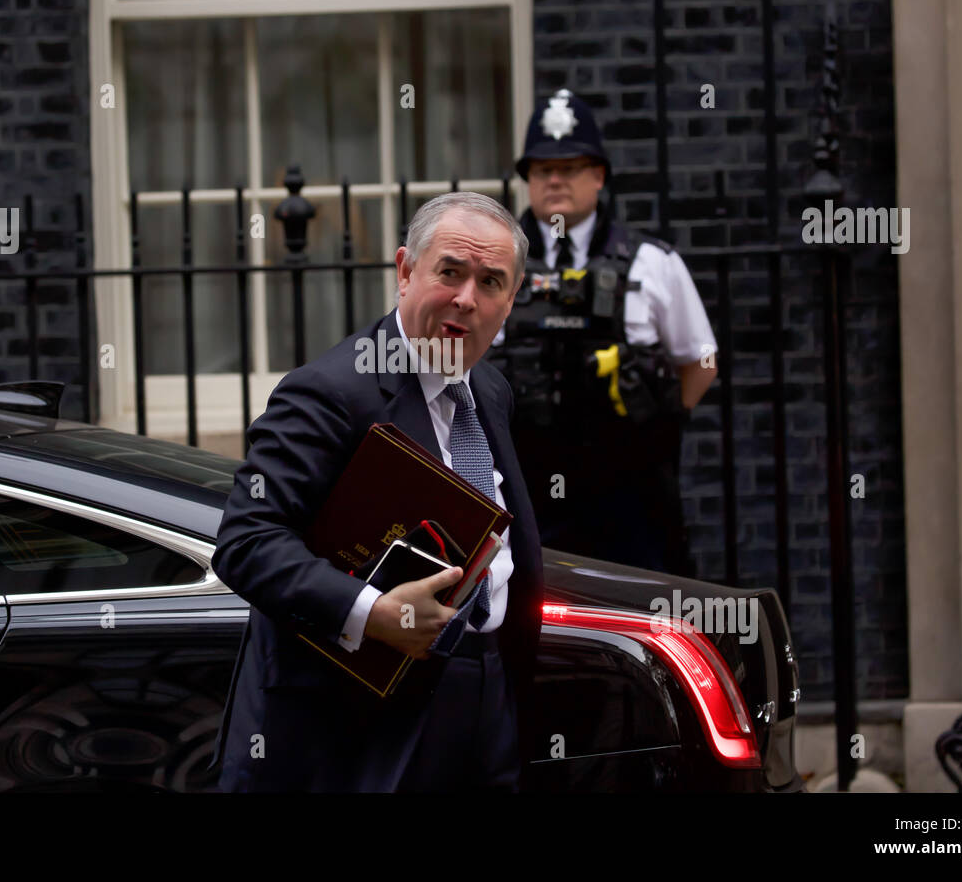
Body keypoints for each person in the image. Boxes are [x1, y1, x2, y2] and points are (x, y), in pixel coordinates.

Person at [212, 191, 543, 792]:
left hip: (485, 701)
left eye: (491, 282)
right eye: (449, 272)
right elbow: (247, 541)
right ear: (405, 271)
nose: (467, 299)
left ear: (511, 300)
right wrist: (372, 614)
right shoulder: (328, 392)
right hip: (359, 727)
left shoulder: (490, 390)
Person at [487, 89, 717, 576]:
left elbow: (701, 361)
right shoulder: (493, 265)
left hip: (629, 491)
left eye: (570, 167)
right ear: (527, 178)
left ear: (599, 175)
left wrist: (659, 424)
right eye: (543, 169)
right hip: (524, 489)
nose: (555, 179)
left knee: (647, 616)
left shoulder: (652, 262)